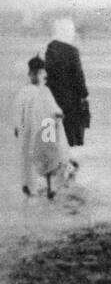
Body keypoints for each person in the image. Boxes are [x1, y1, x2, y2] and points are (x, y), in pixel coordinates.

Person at [13, 55, 69, 199]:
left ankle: (50, 187)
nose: (37, 76)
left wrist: (58, 114)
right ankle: (27, 185)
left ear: (42, 73)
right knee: (29, 157)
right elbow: (18, 110)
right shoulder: (25, 92)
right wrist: (18, 125)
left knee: (50, 156)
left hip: (46, 126)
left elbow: (53, 106)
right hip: (31, 129)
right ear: (30, 74)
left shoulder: (45, 91)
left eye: (40, 73)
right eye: (34, 73)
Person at [43, 19, 89, 168]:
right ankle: (66, 162)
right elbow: (78, 77)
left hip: (51, 97)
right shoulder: (72, 51)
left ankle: (54, 163)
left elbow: (47, 74)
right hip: (70, 100)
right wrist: (84, 93)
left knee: (53, 131)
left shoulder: (50, 48)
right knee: (69, 133)